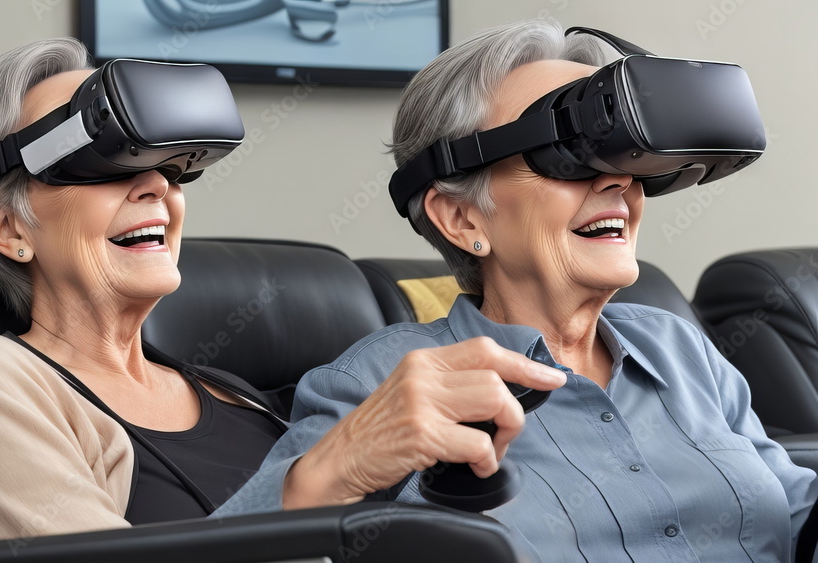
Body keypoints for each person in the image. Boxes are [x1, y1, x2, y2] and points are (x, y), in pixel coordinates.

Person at [0, 37, 562, 545]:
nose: (158, 189)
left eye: (172, 168)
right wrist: (326, 474)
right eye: (106, 164)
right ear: (5, 226)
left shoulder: (234, 392)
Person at [214, 18, 818, 561]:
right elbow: (247, 547)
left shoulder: (680, 350)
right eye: (571, 153)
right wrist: (330, 475)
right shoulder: (379, 381)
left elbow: (794, 518)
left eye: (626, 156)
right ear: (463, 218)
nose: (619, 183)